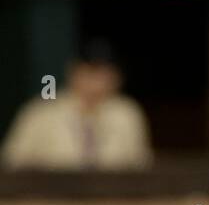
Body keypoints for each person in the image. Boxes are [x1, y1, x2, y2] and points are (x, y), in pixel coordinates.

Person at [2, 43, 152, 171]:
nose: (96, 80)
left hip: (111, 200)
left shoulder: (127, 113)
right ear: (73, 71)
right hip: (49, 199)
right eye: (90, 71)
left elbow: (140, 165)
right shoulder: (41, 112)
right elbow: (12, 163)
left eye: (104, 73)